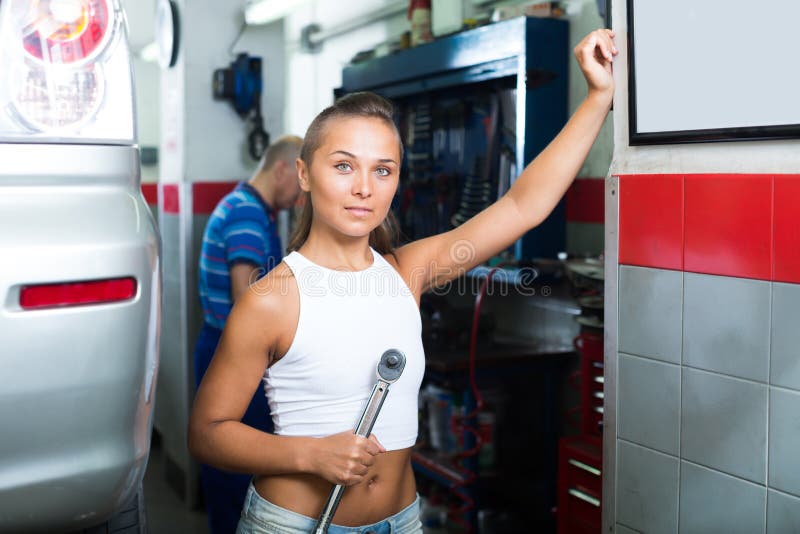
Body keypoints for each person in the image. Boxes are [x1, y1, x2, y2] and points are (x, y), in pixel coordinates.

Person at [189, 29, 617, 533]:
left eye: (384, 170)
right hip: (296, 524)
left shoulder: (405, 272)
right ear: (304, 175)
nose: (364, 188)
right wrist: (310, 454)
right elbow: (208, 433)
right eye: (343, 166)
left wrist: (599, 97)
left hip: (402, 520)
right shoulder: (272, 300)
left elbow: (523, 205)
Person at [193, 135, 303, 534]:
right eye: (300, 179)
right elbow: (246, 295)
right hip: (234, 356)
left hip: (221, 344)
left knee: (236, 470)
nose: (300, 196)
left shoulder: (247, 207)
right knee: (237, 473)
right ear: (282, 169)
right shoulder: (246, 216)